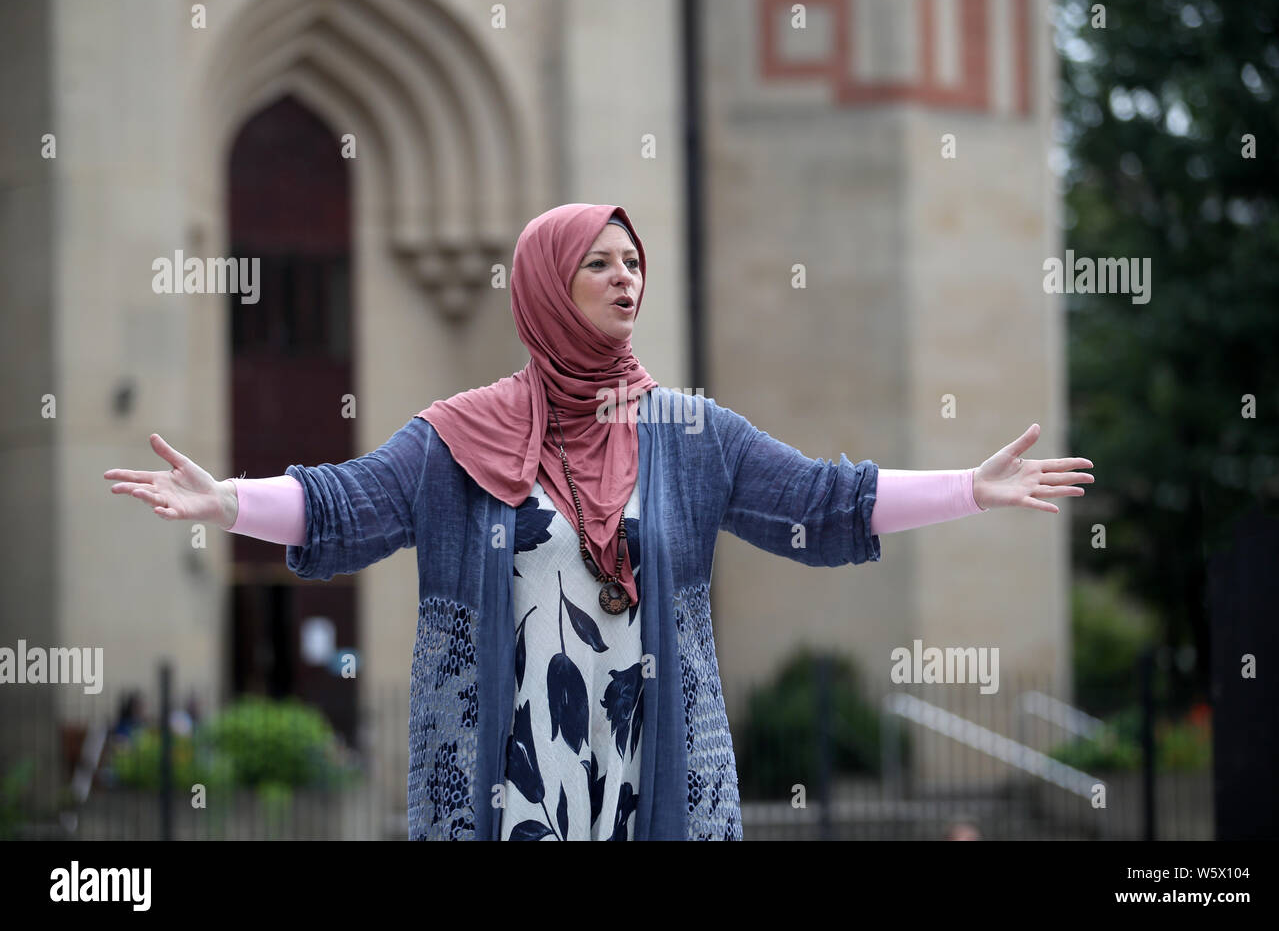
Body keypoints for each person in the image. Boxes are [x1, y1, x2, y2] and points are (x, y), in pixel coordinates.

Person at [104, 203, 1094, 840]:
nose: (626, 279)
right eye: (599, 265)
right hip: (506, 774)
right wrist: (225, 499)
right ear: (546, 287)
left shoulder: (688, 433)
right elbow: (346, 503)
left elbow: (819, 502)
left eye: (633, 263)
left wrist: (971, 484)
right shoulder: (457, 436)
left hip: (653, 769)